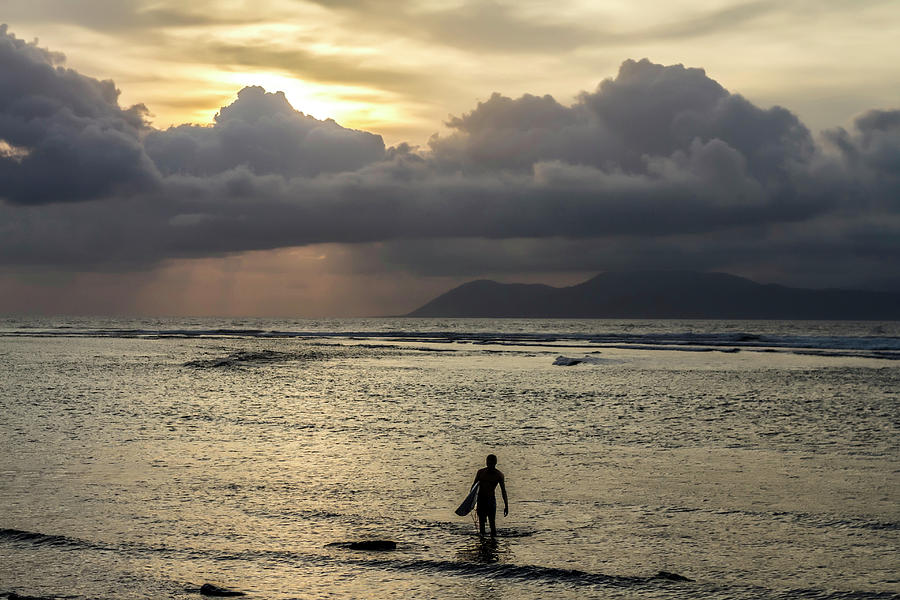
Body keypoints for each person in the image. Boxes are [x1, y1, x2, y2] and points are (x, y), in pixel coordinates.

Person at [472, 454, 508, 537]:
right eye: (488, 463)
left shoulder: (499, 475)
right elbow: (473, 487)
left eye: (491, 464)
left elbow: (503, 491)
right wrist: (471, 502)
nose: (490, 466)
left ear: (495, 463)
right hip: (481, 500)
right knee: (481, 525)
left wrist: (506, 505)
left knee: (492, 524)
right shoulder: (480, 472)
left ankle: (493, 544)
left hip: (491, 501)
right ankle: (482, 545)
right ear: (486, 462)